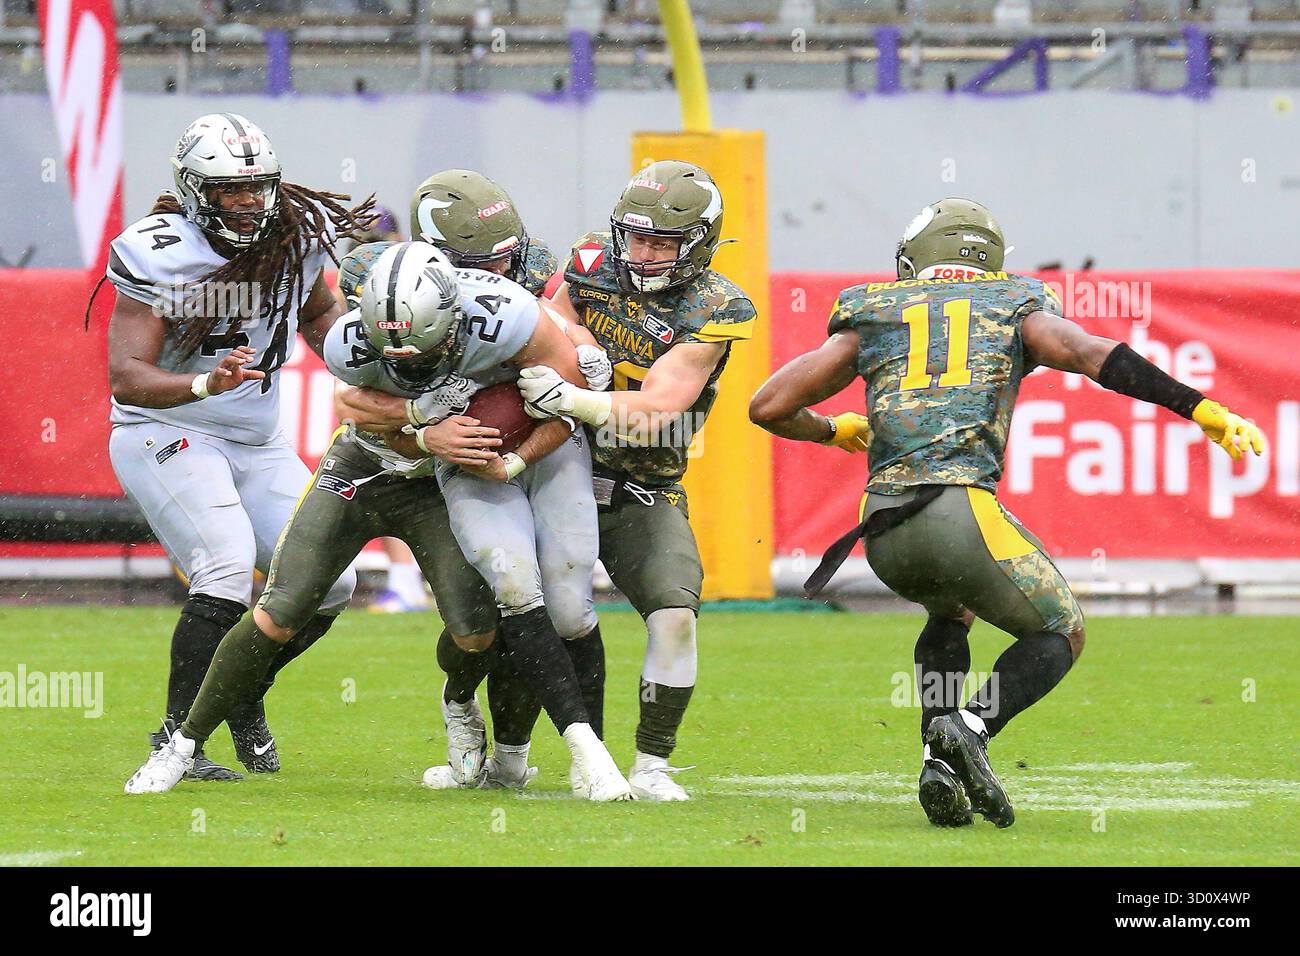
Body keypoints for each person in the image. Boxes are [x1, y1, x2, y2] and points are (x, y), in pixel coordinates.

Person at [749, 197, 1266, 827]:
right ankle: (969, 726)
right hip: (958, 511)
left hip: (880, 527)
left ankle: (936, 757)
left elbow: (769, 405)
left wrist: (833, 431)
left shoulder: (875, 310)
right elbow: (1090, 354)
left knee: (949, 611)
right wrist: (1198, 408)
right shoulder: (1014, 302)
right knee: (1061, 631)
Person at [124, 242, 631, 801]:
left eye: (424, 349)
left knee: (477, 631)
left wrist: (511, 459)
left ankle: (459, 703)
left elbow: (568, 404)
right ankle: (180, 746)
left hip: (438, 482)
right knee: (281, 610)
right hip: (363, 468)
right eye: (397, 354)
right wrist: (419, 424)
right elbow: (353, 406)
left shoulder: (509, 318)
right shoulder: (352, 341)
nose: (411, 363)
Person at [102, 112, 367, 780]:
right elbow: (127, 378)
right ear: (195, 190)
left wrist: (367, 361)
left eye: (259, 186)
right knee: (222, 565)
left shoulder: (296, 236)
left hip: (256, 437)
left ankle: (240, 689)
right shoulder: (157, 249)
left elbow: (315, 314)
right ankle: (175, 740)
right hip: (166, 429)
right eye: (231, 189)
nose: (250, 201)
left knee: (334, 581)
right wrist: (202, 382)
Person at [335, 170, 606, 791]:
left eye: (507, 258)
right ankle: (464, 706)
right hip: (435, 445)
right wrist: (424, 423)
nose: (499, 271)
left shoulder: (525, 278)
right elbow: (352, 395)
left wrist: (575, 357)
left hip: (533, 432)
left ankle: (541, 757)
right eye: (482, 262)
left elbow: (573, 355)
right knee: (481, 615)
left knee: (559, 601)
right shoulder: (382, 277)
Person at [516, 161, 757, 800]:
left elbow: (659, 409)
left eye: (663, 242)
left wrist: (570, 395)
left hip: (639, 484)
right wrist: (576, 342)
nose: (645, 254)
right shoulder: (592, 262)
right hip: (554, 467)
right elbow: (539, 323)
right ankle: (502, 755)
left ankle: (652, 764)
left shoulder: (717, 305)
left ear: (699, 243)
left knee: (675, 612)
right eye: (638, 237)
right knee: (518, 613)